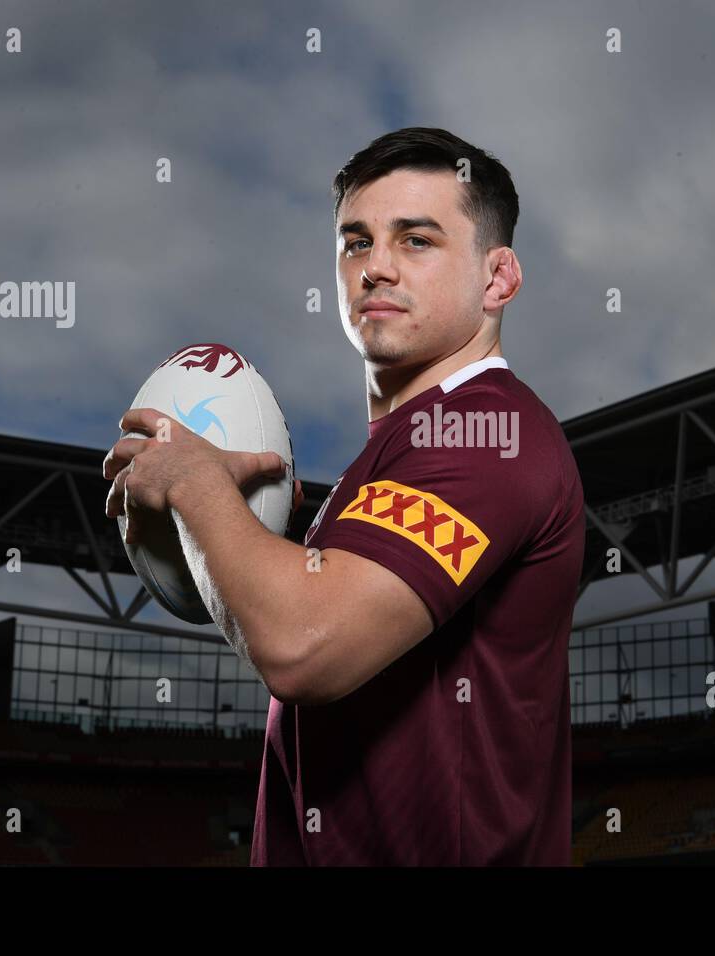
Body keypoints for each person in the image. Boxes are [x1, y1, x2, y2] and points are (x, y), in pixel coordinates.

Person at [103, 127, 584, 865]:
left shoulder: (489, 431)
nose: (376, 268)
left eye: (417, 240)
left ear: (498, 279)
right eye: (355, 243)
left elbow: (303, 647)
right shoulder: (398, 454)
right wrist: (254, 530)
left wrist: (197, 487)